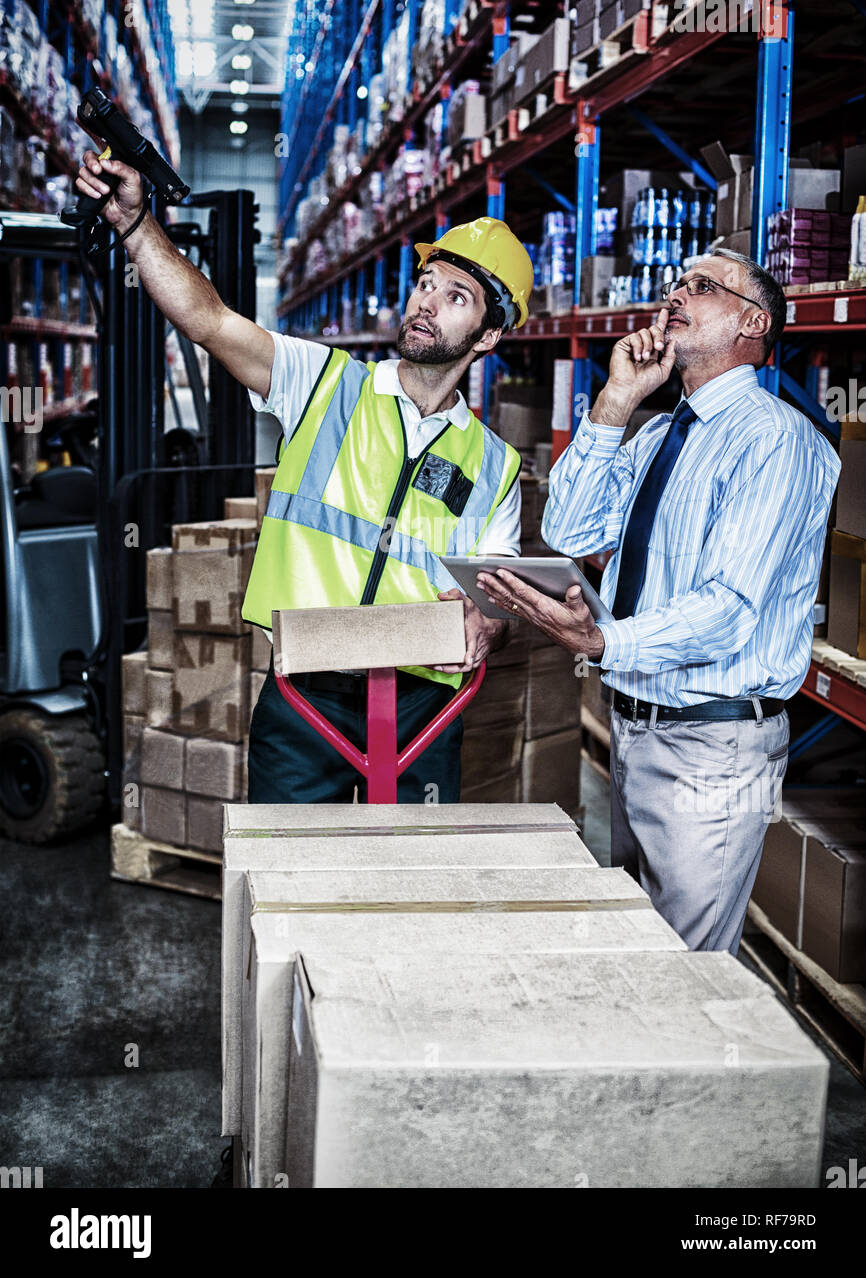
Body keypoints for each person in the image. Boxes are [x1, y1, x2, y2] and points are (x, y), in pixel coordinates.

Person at [74, 149, 533, 803]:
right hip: (306, 684)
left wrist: (489, 620)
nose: (427, 303)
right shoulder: (325, 383)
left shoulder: (496, 465)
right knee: (287, 879)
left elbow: (497, 591)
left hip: (423, 704)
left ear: (488, 337)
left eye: (456, 297)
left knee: (409, 886)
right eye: (427, 282)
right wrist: (136, 226)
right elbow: (208, 320)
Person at [477, 250, 840, 955]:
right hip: (637, 730)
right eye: (675, 283)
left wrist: (603, 643)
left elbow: (730, 609)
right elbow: (571, 529)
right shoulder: (656, 435)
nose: (675, 295)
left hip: (713, 746)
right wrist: (615, 401)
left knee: (687, 970)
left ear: (753, 322)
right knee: (643, 950)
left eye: (702, 287)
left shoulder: (775, 441)